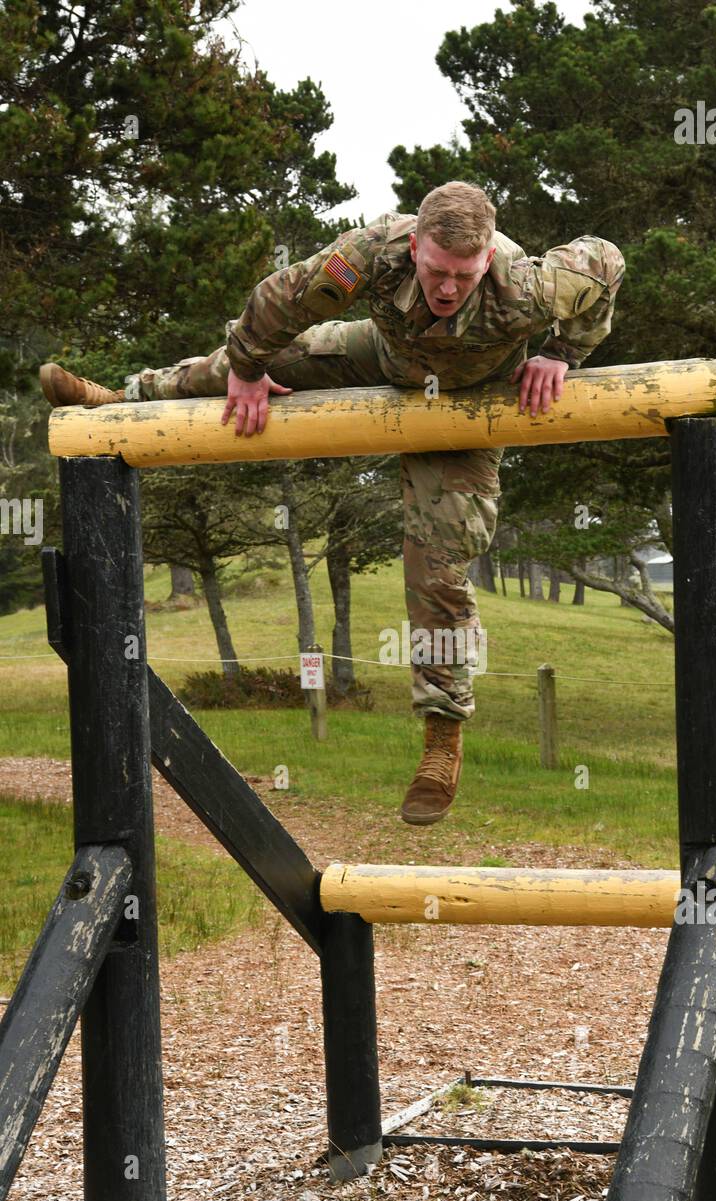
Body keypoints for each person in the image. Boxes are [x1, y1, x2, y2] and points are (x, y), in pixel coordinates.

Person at [40, 182, 625, 826]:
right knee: (265, 359)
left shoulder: (531, 284)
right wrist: (246, 366)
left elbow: (606, 261)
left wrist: (560, 353)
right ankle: (119, 398)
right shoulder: (373, 252)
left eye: (463, 274)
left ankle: (441, 735)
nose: (448, 288)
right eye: (435, 270)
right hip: (386, 356)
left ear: (487, 259)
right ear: (414, 244)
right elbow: (278, 298)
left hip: (476, 399)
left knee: (436, 567)